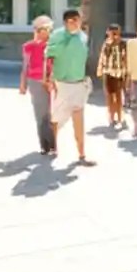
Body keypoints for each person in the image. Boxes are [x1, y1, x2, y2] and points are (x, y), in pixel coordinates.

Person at [46, 9, 95, 166]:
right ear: (66, 22)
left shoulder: (83, 37)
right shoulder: (57, 35)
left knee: (79, 118)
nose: (75, 23)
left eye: (77, 19)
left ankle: (82, 155)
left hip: (79, 83)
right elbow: (48, 56)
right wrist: (48, 78)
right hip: (62, 83)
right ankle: (53, 146)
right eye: (71, 20)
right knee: (56, 119)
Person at [20, 16, 55, 156]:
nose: (43, 32)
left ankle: (53, 143)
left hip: (53, 81)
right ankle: (44, 145)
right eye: (39, 29)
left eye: (46, 29)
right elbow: (25, 66)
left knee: (52, 114)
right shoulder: (29, 46)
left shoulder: (54, 45)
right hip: (35, 81)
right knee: (41, 114)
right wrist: (23, 83)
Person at [96, 24, 128, 129]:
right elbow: (102, 57)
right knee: (109, 97)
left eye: (116, 32)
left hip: (119, 74)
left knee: (118, 97)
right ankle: (111, 117)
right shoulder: (106, 44)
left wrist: (127, 73)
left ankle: (119, 118)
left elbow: (126, 59)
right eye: (111, 32)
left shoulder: (123, 44)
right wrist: (100, 71)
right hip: (108, 73)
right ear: (108, 33)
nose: (114, 34)